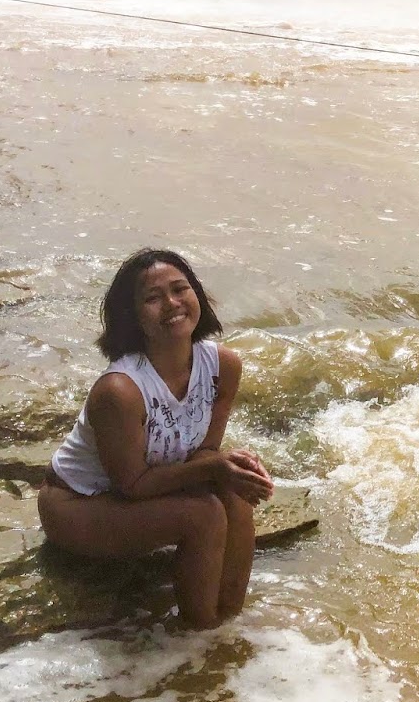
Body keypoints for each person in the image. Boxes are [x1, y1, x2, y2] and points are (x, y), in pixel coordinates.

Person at [38, 248, 273, 628]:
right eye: (152, 298)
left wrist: (233, 466)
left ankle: (229, 621)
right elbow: (131, 484)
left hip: (140, 492)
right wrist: (215, 465)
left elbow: (204, 452)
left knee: (234, 494)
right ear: (132, 318)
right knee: (202, 514)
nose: (171, 304)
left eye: (180, 289)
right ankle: (198, 636)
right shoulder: (120, 390)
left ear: (197, 295)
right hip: (78, 503)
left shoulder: (223, 366)